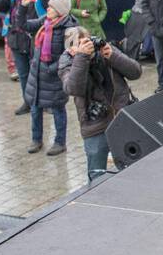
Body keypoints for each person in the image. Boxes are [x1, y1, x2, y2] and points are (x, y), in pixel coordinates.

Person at [60, 26, 141, 181]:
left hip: (122, 119)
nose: (88, 46)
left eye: (88, 41)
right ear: (71, 49)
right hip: (95, 126)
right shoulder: (67, 63)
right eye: (81, 44)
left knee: (132, 168)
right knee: (97, 174)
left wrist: (113, 56)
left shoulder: (104, 51)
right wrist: (82, 58)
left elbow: (136, 72)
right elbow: (74, 88)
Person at [24, 0, 75, 156]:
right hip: (37, 75)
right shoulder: (45, 22)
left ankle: (60, 142)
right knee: (35, 108)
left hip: (53, 77)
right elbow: (23, 25)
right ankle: (36, 139)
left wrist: (50, 68)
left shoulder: (69, 28)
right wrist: (22, 7)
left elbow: (69, 54)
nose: (48, 9)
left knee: (58, 109)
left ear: (60, 11)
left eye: (51, 7)